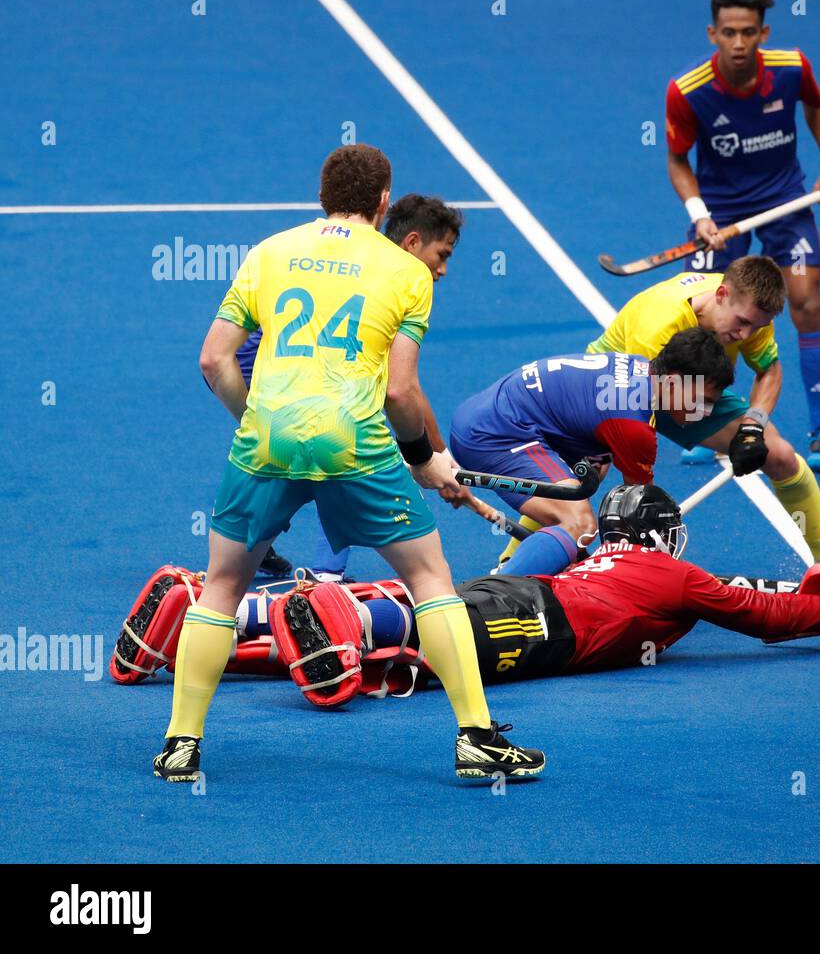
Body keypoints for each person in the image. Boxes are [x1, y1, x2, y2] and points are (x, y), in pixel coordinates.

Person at [153, 144, 543, 784]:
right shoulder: (407, 273)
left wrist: (256, 418)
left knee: (222, 585)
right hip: (354, 446)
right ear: (384, 201)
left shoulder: (268, 252)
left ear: (321, 196)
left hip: (266, 441)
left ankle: (180, 744)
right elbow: (398, 391)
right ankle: (476, 738)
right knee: (429, 577)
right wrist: (424, 460)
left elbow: (213, 359)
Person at [115, 485, 820, 704]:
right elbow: (765, 616)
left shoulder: (598, 559)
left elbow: (736, 590)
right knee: (414, 645)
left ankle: (209, 623)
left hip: (519, 587)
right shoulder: (674, 576)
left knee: (409, 654)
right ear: (665, 538)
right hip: (544, 626)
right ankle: (344, 613)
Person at [217, 194, 464, 583]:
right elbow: (402, 390)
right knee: (336, 448)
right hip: (268, 368)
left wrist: (437, 456)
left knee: (320, 450)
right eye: (442, 254)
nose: (444, 269)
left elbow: (403, 390)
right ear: (413, 243)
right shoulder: (395, 279)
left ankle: (262, 546)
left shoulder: (368, 262)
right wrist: (430, 458)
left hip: (282, 370)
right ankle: (321, 571)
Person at [665, 0, 820, 472]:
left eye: (749, 33)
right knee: (713, 317)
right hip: (720, 210)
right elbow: (678, 160)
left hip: (786, 199)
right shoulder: (689, 91)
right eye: (729, 33)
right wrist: (699, 214)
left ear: (763, 31)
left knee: (807, 303)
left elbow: (817, 106)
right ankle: (706, 423)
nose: (740, 43)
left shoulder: (792, 69)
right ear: (713, 33)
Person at [588, 255, 820, 571]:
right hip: (620, 383)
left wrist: (752, 427)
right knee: (588, 471)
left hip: (697, 387)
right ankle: (525, 558)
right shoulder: (659, 322)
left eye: (756, 327)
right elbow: (641, 409)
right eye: (742, 323)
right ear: (721, 295)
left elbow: (769, 371)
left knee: (779, 454)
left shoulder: (751, 313)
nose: (746, 335)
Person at [452, 327, 734, 576]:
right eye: (702, 400)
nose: (704, 412)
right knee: (579, 524)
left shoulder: (640, 368)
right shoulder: (632, 425)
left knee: (593, 472)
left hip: (492, 415)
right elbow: (637, 512)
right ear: (673, 381)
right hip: (496, 434)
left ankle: (539, 556)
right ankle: (494, 594)